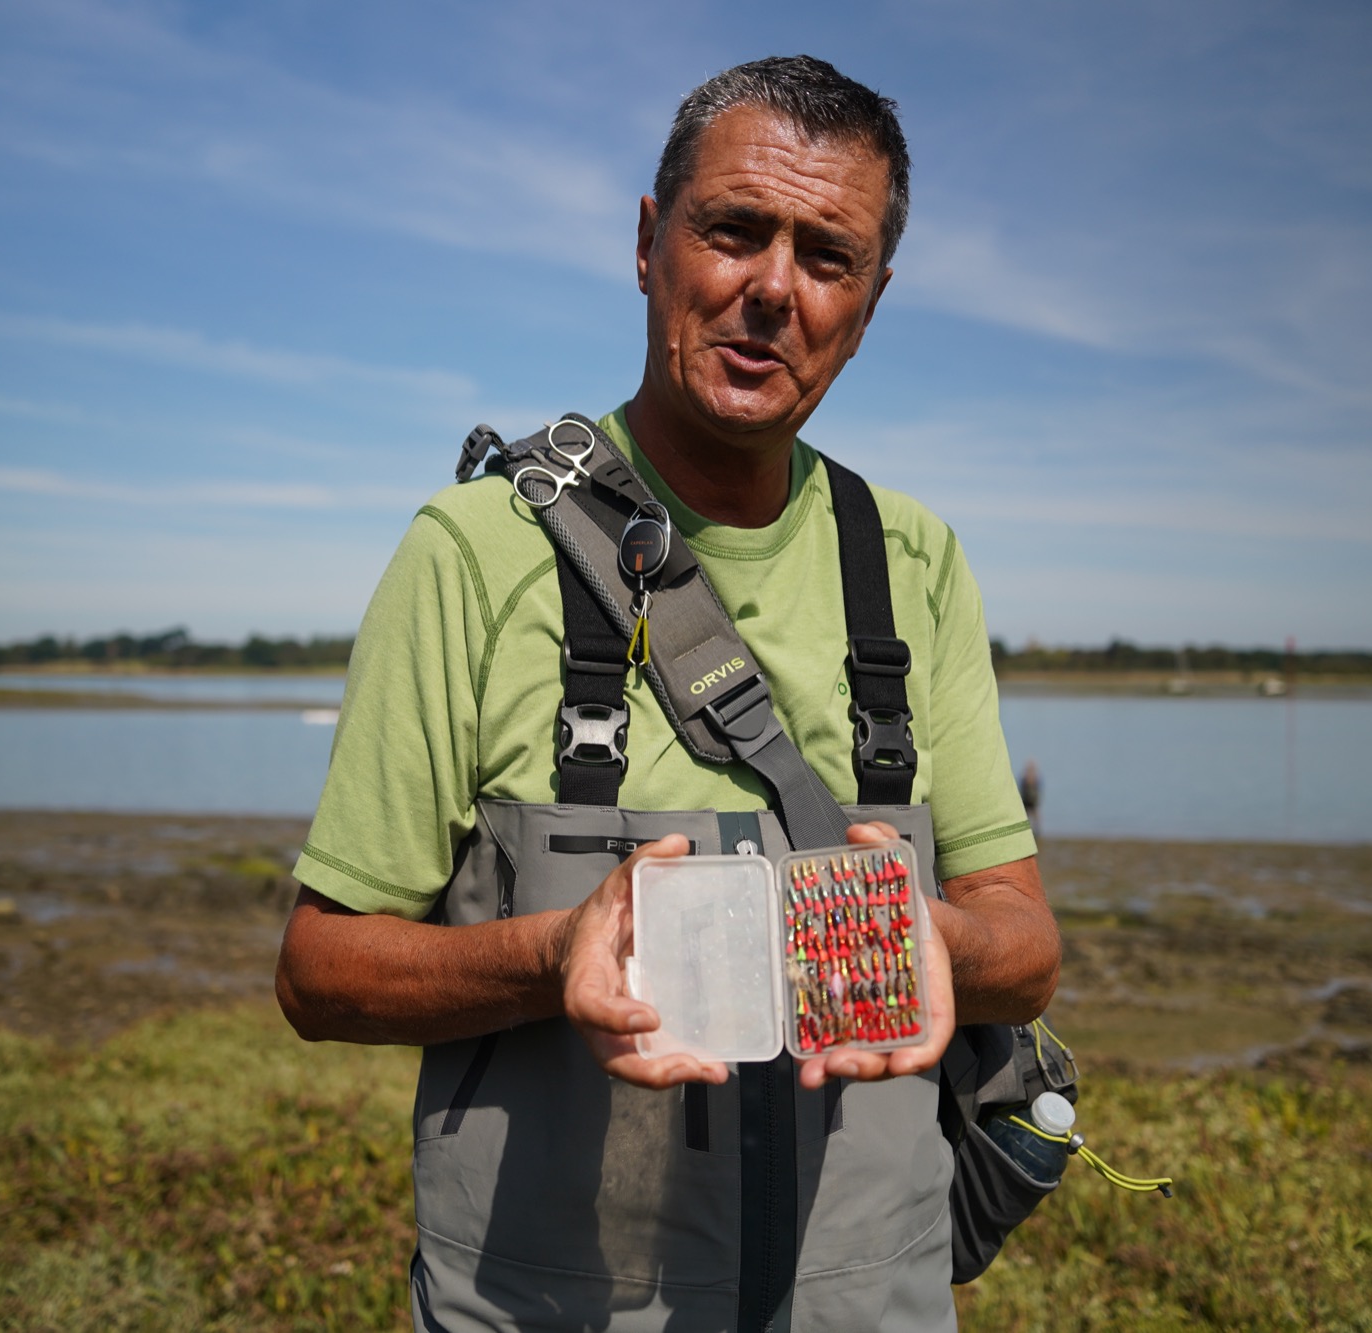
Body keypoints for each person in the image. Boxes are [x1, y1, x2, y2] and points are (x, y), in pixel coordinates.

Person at [276, 55, 1060, 1333]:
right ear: (648, 244)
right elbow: (320, 969)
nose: (773, 289)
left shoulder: (911, 561)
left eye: (827, 256)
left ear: (869, 301)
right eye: (733, 230)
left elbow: (1021, 948)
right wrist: (551, 954)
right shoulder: (472, 552)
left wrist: (942, 945)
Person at [1020, 759, 1043, 838]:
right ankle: (1025, 832)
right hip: (1026, 801)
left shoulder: (1036, 778)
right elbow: (1022, 790)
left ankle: (1037, 832)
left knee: (1035, 817)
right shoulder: (1024, 778)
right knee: (1026, 817)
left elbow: (1038, 790)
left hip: (1033, 801)